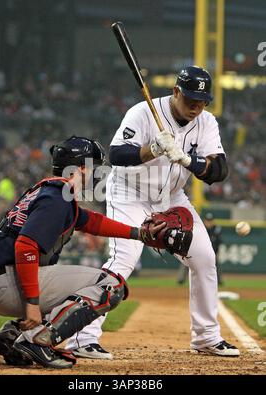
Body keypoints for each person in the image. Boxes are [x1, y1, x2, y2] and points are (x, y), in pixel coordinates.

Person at [66, 66, 240, 358]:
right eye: (191, 100)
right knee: (124, 258)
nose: (196, 107)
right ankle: (82, 338)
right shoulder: (142, 112)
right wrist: (152, 149)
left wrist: (187, 160)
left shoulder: (206, 122)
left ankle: (207, 338)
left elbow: (218, 171)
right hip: (129, 193)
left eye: (202, 101)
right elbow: (117, 155)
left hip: (172, 196)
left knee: (205, 259)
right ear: (176, 92)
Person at [0, 136, 167, 369]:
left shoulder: (50, 192)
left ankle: (12, 334)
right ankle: (37, 341)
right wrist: (32, 303)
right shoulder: (58, 197)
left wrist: (140, 234)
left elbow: (93, 222)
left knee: (74, 292)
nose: (95, 174)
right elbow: (25, 246)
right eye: (93, 168)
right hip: (9, 283)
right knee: (111, 285)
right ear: (81, 168)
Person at [177, 212, 223, 285]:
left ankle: (219, 281)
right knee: (187, 261)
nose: (209, 222)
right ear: (204, 221)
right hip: (198, 251)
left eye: (210, 221)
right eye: (207, 220)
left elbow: (218, 243)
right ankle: (181, 279)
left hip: (211, 252)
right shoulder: (200, 228)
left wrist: (215, 253)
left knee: (215, 264)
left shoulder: (216, 229)